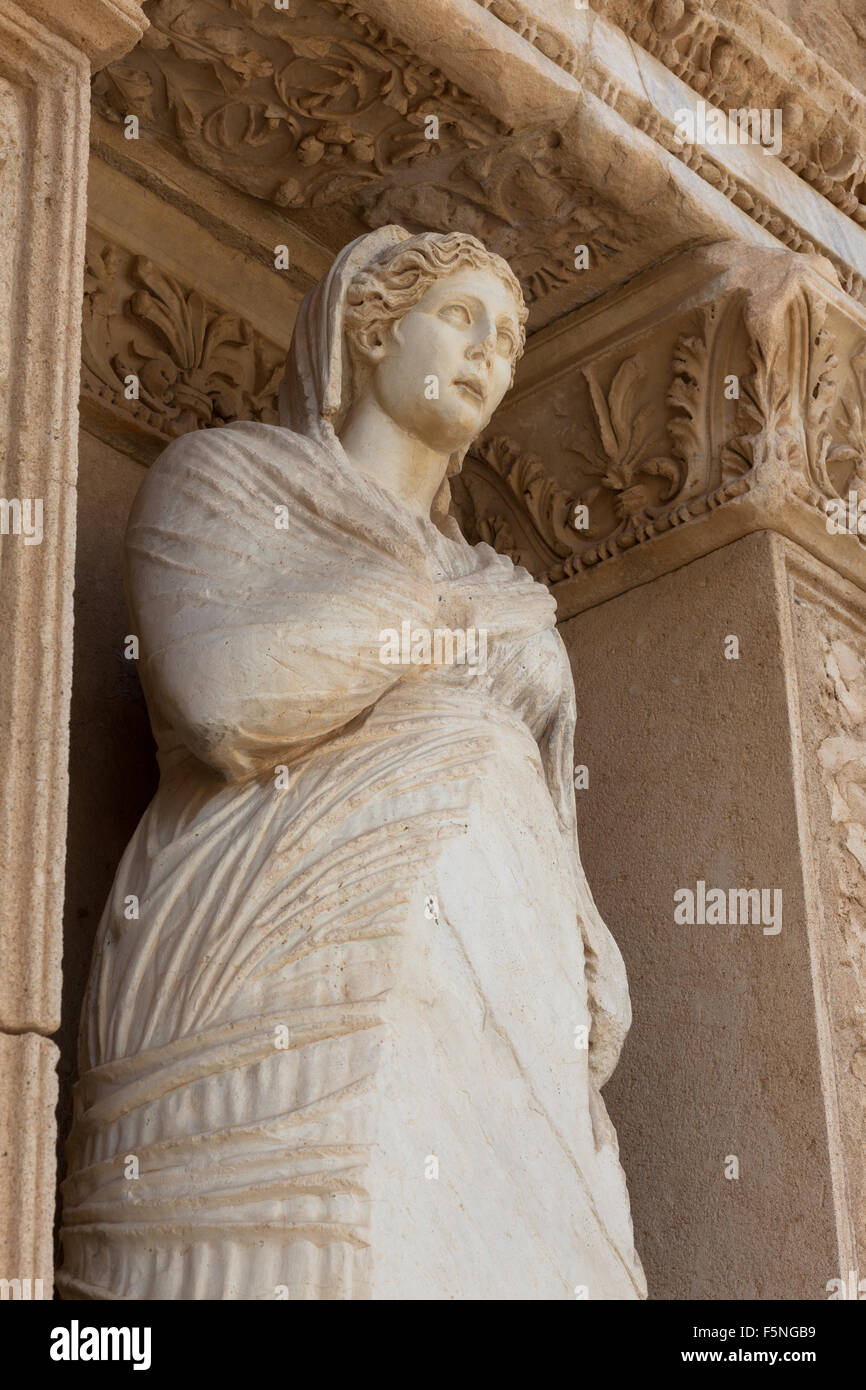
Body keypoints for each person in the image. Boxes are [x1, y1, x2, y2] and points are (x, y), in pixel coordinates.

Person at [60, 225, 645, 1300]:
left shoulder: (504, 582)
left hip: (491, 999)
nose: (488, 354)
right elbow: (224, 699)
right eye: (459, 318)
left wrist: (583, 938)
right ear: (370, 330)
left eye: (510, 339)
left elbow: (537, 799)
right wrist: (436, 610)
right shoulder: (226, 479)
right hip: (270, 939)